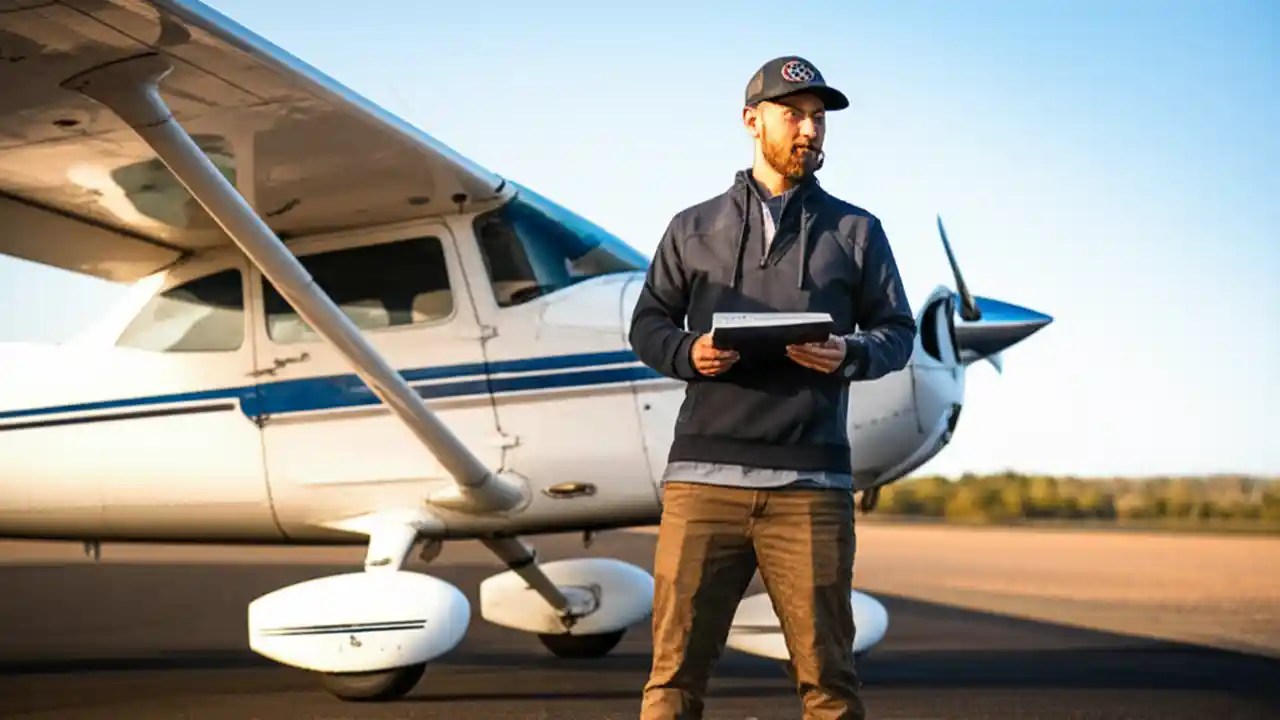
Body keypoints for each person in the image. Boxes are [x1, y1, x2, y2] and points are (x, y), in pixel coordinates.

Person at [629, 55, 918, 720]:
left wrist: (848, 351)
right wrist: (686, 352)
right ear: (751, 120)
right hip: (702, 487)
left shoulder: (858, 232)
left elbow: (897, 332)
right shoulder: (691, 228)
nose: (810, 130)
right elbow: (648, 324)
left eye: (819, 118)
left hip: (811, 493)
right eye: (795, 114)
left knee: (830, 687)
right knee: (671, 684)